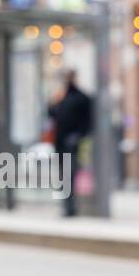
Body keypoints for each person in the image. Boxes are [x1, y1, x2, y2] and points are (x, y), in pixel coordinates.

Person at [47, 70, 93, 218]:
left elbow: (88, 121)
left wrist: (78, 136)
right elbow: (52, 114)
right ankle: (67, 205)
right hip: (60, 144)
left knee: (71, 174)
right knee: (63, 176)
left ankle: (71, 206)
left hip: (72, 144)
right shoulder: (62, 97)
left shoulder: (81, 98)